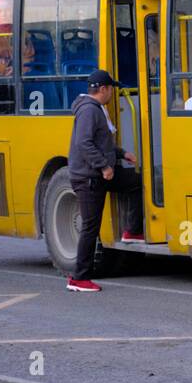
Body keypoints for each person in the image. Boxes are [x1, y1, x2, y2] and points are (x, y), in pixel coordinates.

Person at [66, 69, 143, 293]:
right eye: (111, 89)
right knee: (90, 228)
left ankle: (132, 230)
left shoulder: (95, 109)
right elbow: (84, 143)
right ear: (103, 89)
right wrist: (104, 166)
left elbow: (101, 142)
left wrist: (121, 154)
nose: (113, 93)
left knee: (137, 181)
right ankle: (78, 278)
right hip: (89, 177)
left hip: (99, 174)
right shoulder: (90, 111)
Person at [0, 0, 35, 78]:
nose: (4, 14)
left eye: (7, 10)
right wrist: (3, 69)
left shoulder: (21, 33)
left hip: (19, 76)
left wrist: (17, 69)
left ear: (12, 12)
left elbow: (29, 57)